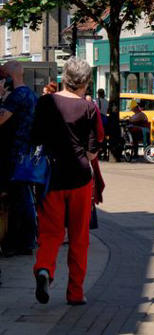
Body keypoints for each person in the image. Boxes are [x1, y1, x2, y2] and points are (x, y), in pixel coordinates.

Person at [31, 57, 99, 305]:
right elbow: (92, 151)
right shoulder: (89, 108)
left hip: (51, 176)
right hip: (80, 177)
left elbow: (35, 136)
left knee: (51, 232)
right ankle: (75, 292)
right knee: (79, 237)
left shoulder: (46, 102)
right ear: (85, 82)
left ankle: (44, 269)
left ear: (64, 77)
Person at [0, 60, 38, 257]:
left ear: (10, 75)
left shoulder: (16, 96)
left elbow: (1, 119)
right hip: (28, 154)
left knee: (18, 199)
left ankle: (21, 241)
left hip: (15, 154)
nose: (2, 77)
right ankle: (26, 240)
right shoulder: (32, 94)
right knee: (24, 197)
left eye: (3, 73)